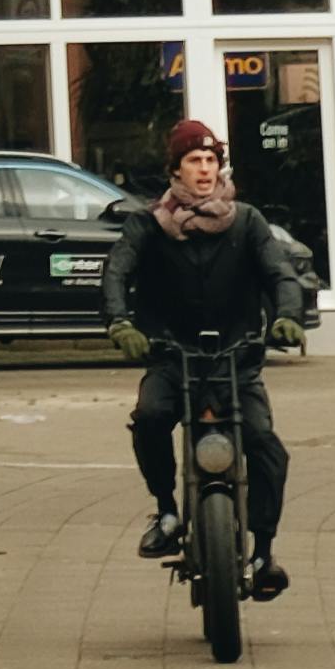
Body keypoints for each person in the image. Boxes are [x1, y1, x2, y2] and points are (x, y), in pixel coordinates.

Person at [108, 115, 311, 598]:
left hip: (235, 359)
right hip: (170, 356)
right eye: (193, 160)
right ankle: (168, 511)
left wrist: (288, 315)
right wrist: (121, 323)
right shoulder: (149, 226)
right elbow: (116, 272)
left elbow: (280, 275)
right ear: (175, 169)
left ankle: (263, 552)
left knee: (265, 445)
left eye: (211, 159)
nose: (204, 168)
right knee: (151, 417)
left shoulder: (247, 221)